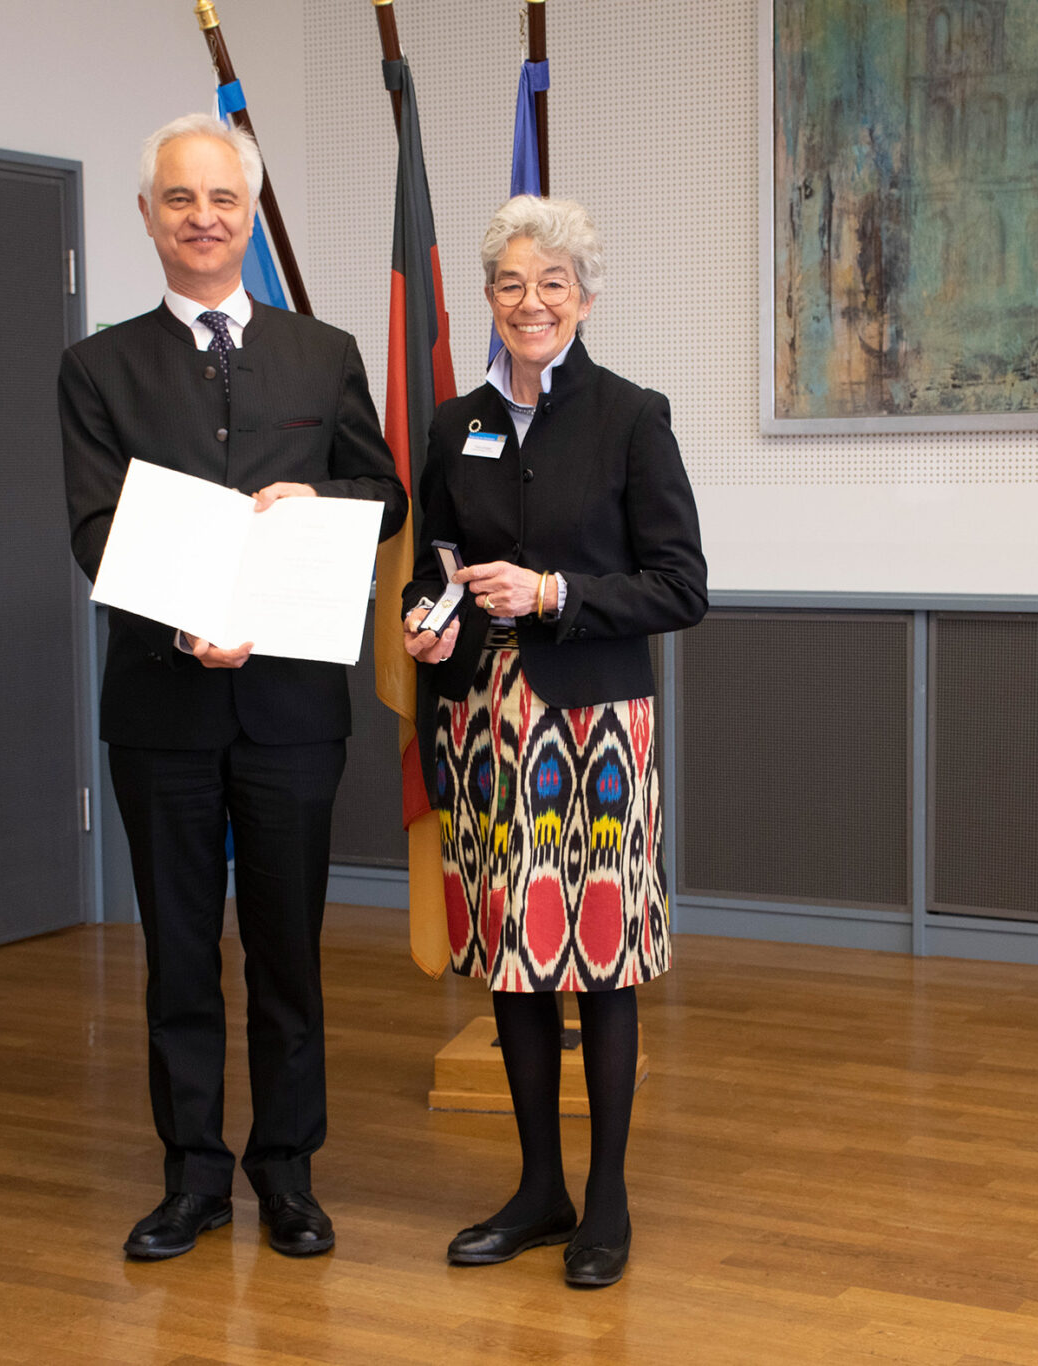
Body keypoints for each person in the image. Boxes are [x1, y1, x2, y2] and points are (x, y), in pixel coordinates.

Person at [59, 114, 405, 1261]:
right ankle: (192, 1176)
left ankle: (288, 1175)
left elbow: (383, 492)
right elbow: (96, 530)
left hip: (293, 710)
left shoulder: (324, 352)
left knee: (287, 953)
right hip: (159, 709)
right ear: (148, 216)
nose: (201, 216)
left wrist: (326, 509)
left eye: (221, 198)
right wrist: (186, 622)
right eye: (178, 198)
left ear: (249, 216)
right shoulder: (96, 367)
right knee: (175, 953)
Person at [402, 196, 706, 1288]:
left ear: (583, 294)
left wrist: (553, 591)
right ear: (488, 298)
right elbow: (434, 561)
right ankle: (539, 1187)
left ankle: (607, 1199)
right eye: (509, 284)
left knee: (597, 963)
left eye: (552, 283)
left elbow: (681, 587)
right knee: (512, 959)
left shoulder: (631, 417)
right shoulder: (455, 423)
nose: (529, 302)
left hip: (593, 733)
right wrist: (423, 620)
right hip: (484, 722)